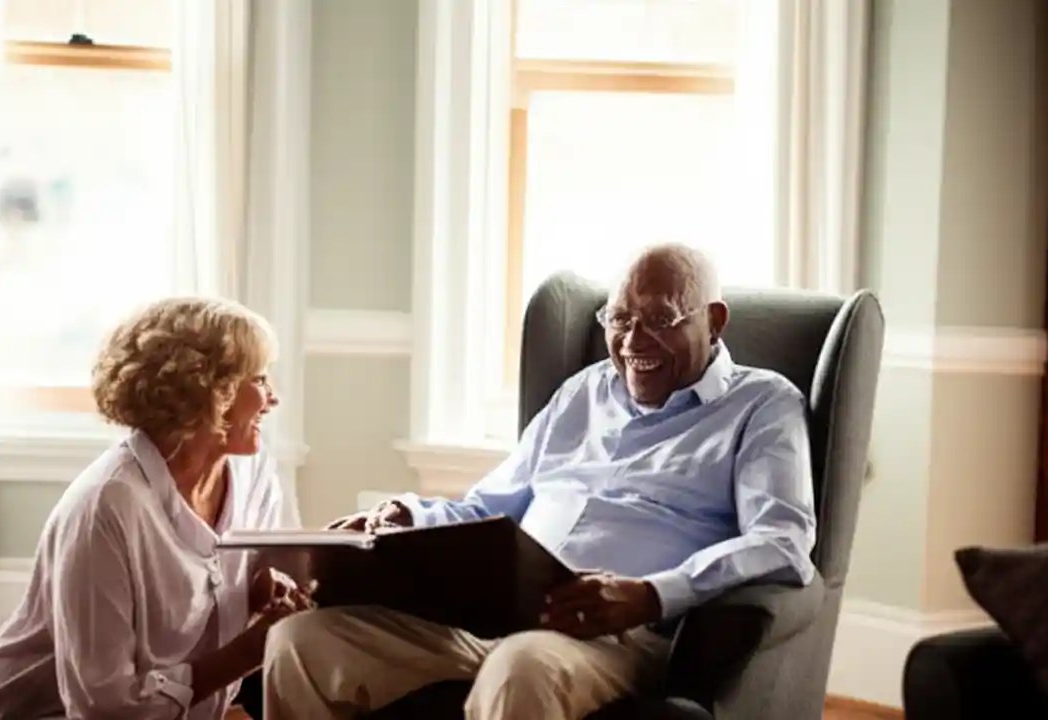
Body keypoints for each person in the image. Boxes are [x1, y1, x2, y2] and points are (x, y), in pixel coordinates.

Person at [263, 244, 818, 720]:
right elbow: (491, 503)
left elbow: (783, 542)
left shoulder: (763, 404)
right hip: (494, 615)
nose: (632, 341)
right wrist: (409, 516)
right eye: (619, 320)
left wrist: (650, 595)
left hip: (617, 637)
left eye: (659, 319)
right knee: (301, 642)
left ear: (714, 320)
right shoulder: (584, 391)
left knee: (522, 665)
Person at [0, 297, 311, 720]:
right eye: (261, 379)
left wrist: (258, 586)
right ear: (212, 390)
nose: (273, 399)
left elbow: (241, 574)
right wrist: (246, 652)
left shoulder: (253, 471)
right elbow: (104, 707)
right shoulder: (107, 507)